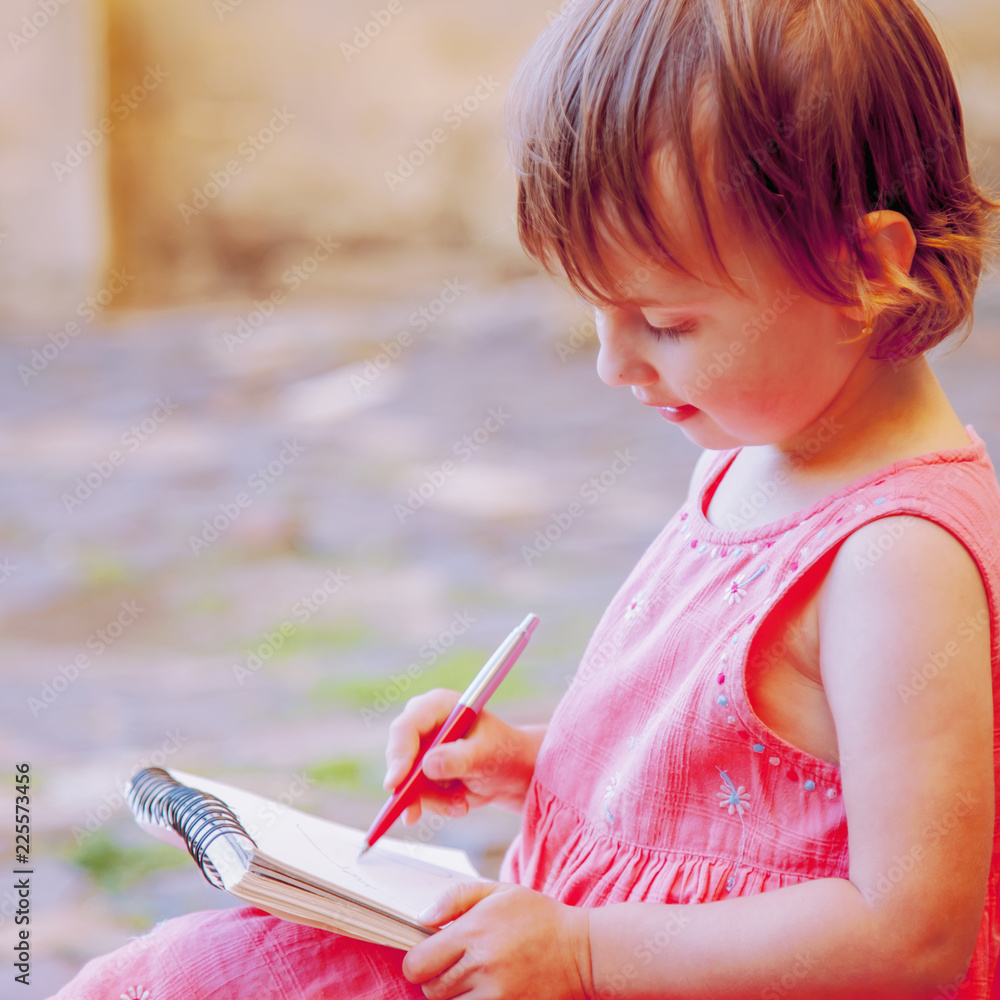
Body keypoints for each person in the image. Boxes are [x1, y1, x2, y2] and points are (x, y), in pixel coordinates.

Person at [51, 0, 1000, 997]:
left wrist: (585, 951)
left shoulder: (896, 559)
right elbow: (742, 789)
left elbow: (910, 935)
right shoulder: (746, 458)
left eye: (662, 322)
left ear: (864, 266)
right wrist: (536, 763)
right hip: (569, 949)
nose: (610, 361)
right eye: (595, 309)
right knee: (195, 968)